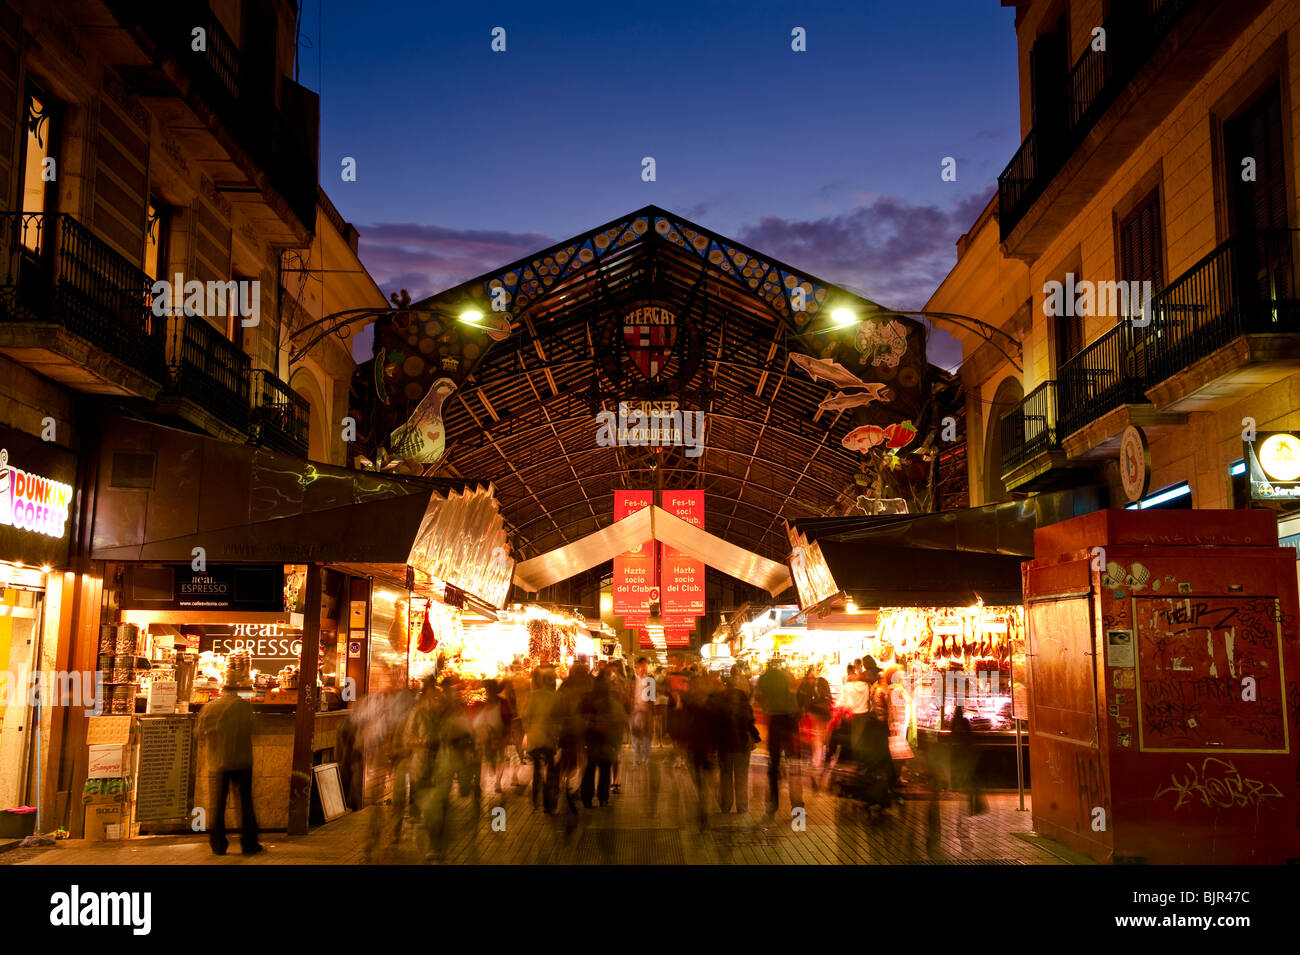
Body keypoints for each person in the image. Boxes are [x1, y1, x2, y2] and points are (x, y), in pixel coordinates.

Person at [195, 677, 262, 856]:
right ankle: (249, 843)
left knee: (217, 804)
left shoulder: (209, 708)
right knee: (246, 803)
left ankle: (218, 845)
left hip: (218, 762)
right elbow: (255, 727)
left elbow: (199, 732)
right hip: (242, 760)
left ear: (222, 690)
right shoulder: (244, 706)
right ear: (236, 691)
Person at [755, 658, 801, 816]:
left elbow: (758, 699)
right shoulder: (787, 681)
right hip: (790, 723)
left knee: (773, 765)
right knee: (794, 765)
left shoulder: (764, 680)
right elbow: (795, 702)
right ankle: (797, 807)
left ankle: (772, 804)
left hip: (775, 723)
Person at [711, 665, 757, 814]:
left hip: (724, 744)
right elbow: (750, 720)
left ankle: (725, 805)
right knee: (742, 776)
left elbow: (715, 723)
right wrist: (754, 737)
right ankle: (742, 806)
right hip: (742, 743)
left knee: (725, 775)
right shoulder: (743, 698)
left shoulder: (719, 699)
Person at [579, 670, 625, 808]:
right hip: (605, 739)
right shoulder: (612, 700)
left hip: (592, 738)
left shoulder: (588, 698)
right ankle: (603, 798)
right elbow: (620, 718)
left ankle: (587, 798)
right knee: (604, 768)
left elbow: (580, 716)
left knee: (590, 768)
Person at [522, 667, 560, 813]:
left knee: (537, 768)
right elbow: (559, 718)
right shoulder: (556, 697)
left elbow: (525, 715)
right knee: (550, 769)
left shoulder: (533, 695)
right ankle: (547, 803)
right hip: (549, 738)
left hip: (535, 737)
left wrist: (529, 729)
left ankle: (535, 801)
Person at [629, 658, 655, 768]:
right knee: (635, 737)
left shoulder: (650, 680)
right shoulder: (631, 679)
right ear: (637, 667)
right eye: (642, 666)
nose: (644, 669)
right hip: (634, 710)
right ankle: (636, 759)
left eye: (646, 666)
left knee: (646, 737)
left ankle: (645, 760)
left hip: (646, 711)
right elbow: (628, 693)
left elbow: (652, 697)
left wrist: (650, 708)